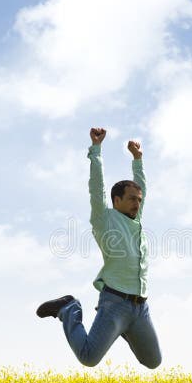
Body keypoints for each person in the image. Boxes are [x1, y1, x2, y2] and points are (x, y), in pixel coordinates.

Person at [36, 127, 162, 369]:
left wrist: (138, 160)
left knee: (153, 361)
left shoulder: (136, 222)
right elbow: (97, 187)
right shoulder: (105, 219)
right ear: (117, 201)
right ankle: (68, 308)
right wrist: (96, 150)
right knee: (88, 357)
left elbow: (142, 185)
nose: (138, 203)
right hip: (115, 304)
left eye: (140, 199)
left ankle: (123, 330)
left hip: (140, 308)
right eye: (132, 199)